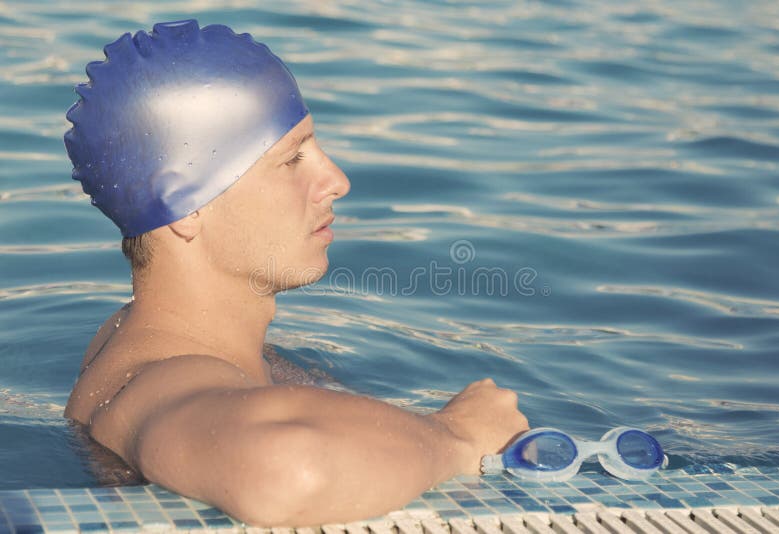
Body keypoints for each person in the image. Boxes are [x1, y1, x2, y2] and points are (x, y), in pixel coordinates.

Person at [63, 19, 528, 527]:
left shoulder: (142, 335)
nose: (337, 180)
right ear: (184, 206)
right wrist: (457, 436)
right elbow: (290, 468)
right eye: (292, 160)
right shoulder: (165, 378)